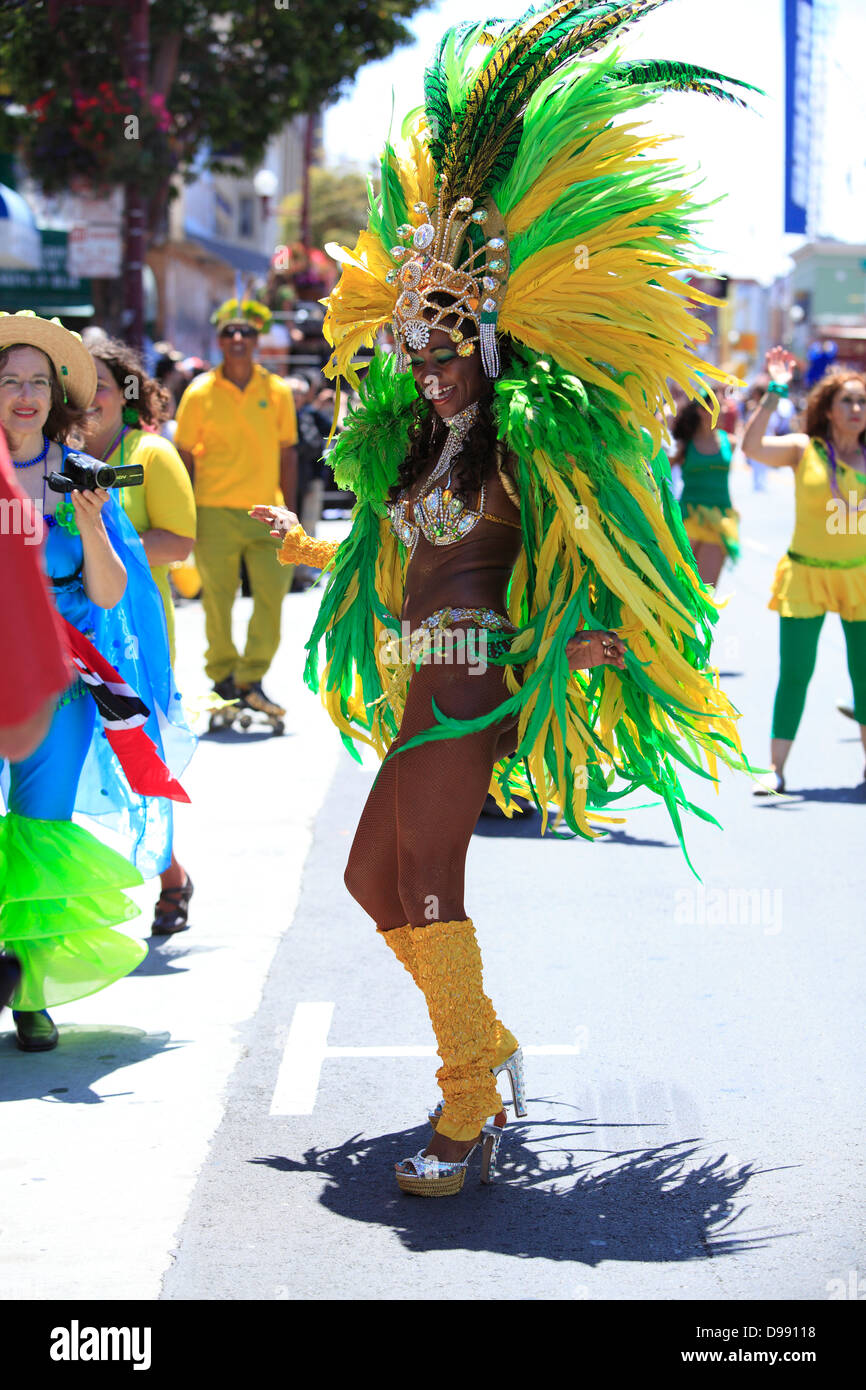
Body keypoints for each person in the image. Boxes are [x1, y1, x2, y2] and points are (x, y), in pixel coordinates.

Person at [253, 3, 754, 1197]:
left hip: (473, 683)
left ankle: (466, 1105)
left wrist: (593, 635)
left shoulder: (523, 449)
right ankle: (481, 1044)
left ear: (484, 340)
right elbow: (397, 565)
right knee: (367, 881)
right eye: (409, 349)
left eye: (442, 345)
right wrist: (307, 547)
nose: (422, 366)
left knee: (428, 881)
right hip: (423, 673)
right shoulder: (420, 457)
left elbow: (612, 541)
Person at [0, 311, 193, 1051]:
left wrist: (86, 522)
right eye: (10, 381)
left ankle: (29, 992)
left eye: (37, 384)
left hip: (57, 687)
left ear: (56, 398)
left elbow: (110, 592)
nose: (24, 396)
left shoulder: (77, 474)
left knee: (39, 833)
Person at [80, 336, 197, 934]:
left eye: (99, 383)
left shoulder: (150, 454)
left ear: (124, 393)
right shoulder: (48, 456)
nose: (87, 396)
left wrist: (99, 546)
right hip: (73, 634)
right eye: (75, 384)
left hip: (138, 639)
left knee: (137, 760)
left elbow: (178, 542)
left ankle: (171, 876)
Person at [742, 348, 866, 793]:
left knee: (865, 675)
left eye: (862, 401)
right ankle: (775, 770)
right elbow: (752, 446)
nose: (856, 409)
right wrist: (774, 390)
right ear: (828, 410)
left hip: (860, 578)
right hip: (806, 575)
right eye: (847, 401)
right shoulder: (804, 449)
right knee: (795, 673)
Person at [174, 298, 298, 718]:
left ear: (258, 338)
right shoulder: (199, 393)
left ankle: (252, 680)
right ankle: (223, 680)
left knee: (272, 598)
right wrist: (184, 512)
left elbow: (289, 453)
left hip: (267, 513)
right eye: (230, 332)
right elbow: (185, 455)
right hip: (213, 511)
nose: (239, 338)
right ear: (220, 340)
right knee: (218, 602)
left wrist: (293, 517)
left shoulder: (277, 390)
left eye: (246, 331)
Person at [672, 392, 739, 586]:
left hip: (719, 518)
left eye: (725, 407)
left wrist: (733, 506)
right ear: (702, 411)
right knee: (682, 588)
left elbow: (724, 480)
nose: (725, 411)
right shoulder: (684, 445)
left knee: (707, 592)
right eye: (719, 407)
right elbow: (659, 470)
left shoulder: (730, 442)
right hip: (689, 517)